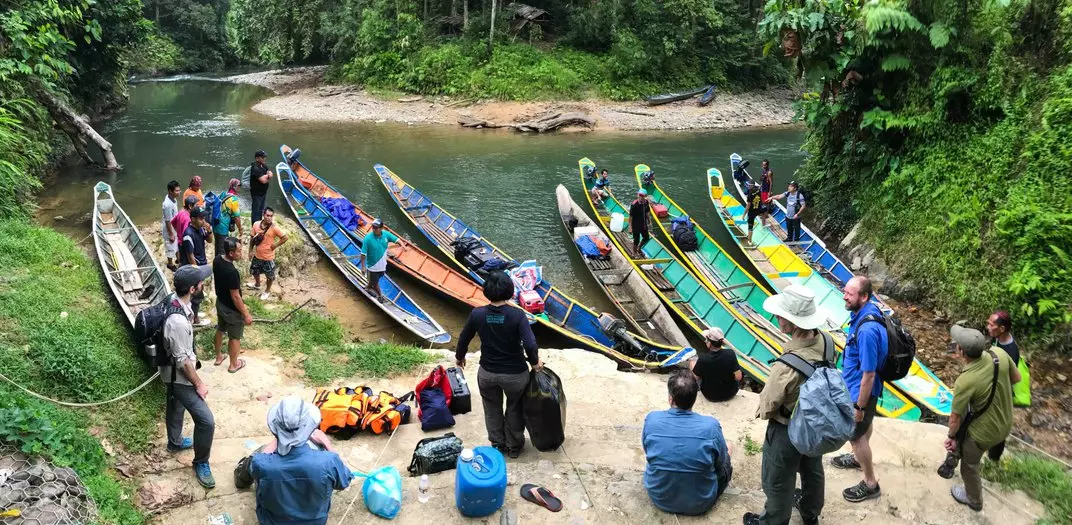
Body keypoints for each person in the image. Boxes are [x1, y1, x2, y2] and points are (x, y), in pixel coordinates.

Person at [743, 284, 829, 525]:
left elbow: (768, 405)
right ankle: (810, 513)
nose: (777, 317)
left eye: (781, 314)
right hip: (815, 422)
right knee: (812, 469)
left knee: (778, 479)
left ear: (793, 322)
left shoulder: (787, 366)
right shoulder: (826, 341)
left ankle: (773, 521)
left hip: (787, 428)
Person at [456, 271, 542, 459]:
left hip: (487, 373)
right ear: (511, 291)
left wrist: (459, 358)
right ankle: (513, 445)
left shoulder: (477, 314)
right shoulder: (517, 315)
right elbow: (530, 344)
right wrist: (535, 363)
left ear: (486, 291)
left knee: (491, 407)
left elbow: (464, 338)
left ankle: (498, 443)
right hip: (515, 375)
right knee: (515, 407)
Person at [240, 397, 352, 525]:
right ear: (309, 426)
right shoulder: (329, 461)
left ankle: (240, 480)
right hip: (315, 522)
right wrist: (327, 444)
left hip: (272, 522)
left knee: (255, 456)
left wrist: (281, 438)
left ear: (276, 427)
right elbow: (344, 482)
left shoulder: (262, 463)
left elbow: (258, 460)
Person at [945, 324, 1018, 511]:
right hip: (1006, 423)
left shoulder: (965, 380)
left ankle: (974, 500)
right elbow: (1016, 378)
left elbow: (955, 419)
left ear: (961, 351)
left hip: (984, 433)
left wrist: (951, 437)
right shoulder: (999, 354)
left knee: (969, 465)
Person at [642, 369, 732, 516]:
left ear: (670, 399)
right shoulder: (711, 426)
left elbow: (647, 450)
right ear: (694, 398)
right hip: (701, 503)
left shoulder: (652, 419)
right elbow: (719, 463)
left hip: (660, 498)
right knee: (728, 449)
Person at [831, 275, 886, 503]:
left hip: (860, 391)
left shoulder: (866, 330)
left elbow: (869, 373)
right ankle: (857, 458)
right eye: (845, 291)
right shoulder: (868, 311)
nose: (844, 296)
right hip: (861, 388)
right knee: (864, 428)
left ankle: (871, 483)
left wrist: (859, 406)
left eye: (849, 294)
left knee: (856, 437)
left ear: (863, 297)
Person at [161, 264, 216, 489]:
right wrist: (199, 383)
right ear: (193, 289)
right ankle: (201, 462)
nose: (204, 283)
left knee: (176, 405)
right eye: (201, 282)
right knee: (206, 422)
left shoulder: (176, 301)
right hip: (179, 376)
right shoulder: (178, 322)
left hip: (170, 371)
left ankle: (174, 442)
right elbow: (183, 361)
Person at [213, 237, 253, 374]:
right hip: (232, 309)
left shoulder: (217, 259)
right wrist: (245, 314)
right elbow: (235, 296)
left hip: (220, 303)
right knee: (234, 337)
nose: (241, 253)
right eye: (239, 251)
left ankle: (218, 357)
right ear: (231, 253)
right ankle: (233, 364)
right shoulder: (232, 272)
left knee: (220, 328)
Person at [984, 310, 1020, 462]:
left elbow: (1013, 378)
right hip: (993, 386)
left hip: (1000, 392)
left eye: (991, 325)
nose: (988, 327)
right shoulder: (997, 338)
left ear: (1002, 329)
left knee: (998, 424)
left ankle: (994, 459)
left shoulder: (1011, 351)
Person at [179, 207, 212, 327]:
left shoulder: (200, 229)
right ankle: (195, 320)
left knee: (197, 292)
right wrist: (198, 275)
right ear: (192, 219)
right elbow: (190, 256)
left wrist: (209, 231)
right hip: (194, 268)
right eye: (201, 218)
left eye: (204, 218)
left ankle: (194, 314)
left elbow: (210, 240)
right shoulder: (188, 234)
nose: (203, 221)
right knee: (196, 293)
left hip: (200, 266)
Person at [690, 328, 742, 402]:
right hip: (730, 393)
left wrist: (692, 362)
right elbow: (738, 377)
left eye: (706, 339)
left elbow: (695, 378)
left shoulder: (703, 359)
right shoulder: (730, 353)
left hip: (710, 396)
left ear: (710, 343)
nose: (705, 341)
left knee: (695, 365)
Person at [248, 207, 288, 301]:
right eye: (267, 215)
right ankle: (257, 284)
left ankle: (267, 291)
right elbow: (252, 239)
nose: (269, 218)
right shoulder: (256, 224)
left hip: (268, 257)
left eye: (271, 216)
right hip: (257, 255)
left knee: (269, 276)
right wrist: (250, 251)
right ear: (263, 215)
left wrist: (275, 245)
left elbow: (285, 237)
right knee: (254, 271)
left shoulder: (274, 227)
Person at [358, 218, 401, 302]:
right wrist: (363, 267)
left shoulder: (386, 234)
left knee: (376, 279)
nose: (373, 229)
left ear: (381, 228)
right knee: (375, 282)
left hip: (382, 265)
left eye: (376, 228)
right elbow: (363, 254)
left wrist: (403, 245)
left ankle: (368, 287)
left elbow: (397, 240)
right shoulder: (368, 238)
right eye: (373, 227)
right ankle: (380, 295)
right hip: (372, 267)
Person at [213, 178, 244, 255]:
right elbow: (237, 217)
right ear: (235, 187)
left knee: (217, 247)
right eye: (238, 186)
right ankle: (220, 265)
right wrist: (240, 229)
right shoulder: (233, 200)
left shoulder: (223, 194)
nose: (239, 188)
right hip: (223, 228)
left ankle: (216, 264)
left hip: (215, 224)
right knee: (223, 250)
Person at [170, 194, 199, 260]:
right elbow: (187, 235)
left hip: (179, 242)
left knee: (182, 260)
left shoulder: (181, 212)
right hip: (185, 245)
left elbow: (173, 222)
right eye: (196, 205)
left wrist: (178, 232)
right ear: (190, 206)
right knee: (187, 262)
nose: (198, 207)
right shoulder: (187, 219)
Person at [249, 150, 273, 224]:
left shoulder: (263, 165)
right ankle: (254, 225)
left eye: (264, 157)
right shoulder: (255, 168)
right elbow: (263, 180)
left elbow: (271, 174)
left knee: (261, 209)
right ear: (257, 158)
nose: (264, 158)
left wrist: (268, 176)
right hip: (256, 194)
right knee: (256, 210)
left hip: (263, 193)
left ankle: (259, 223)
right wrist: (268, 176)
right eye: (262, 157)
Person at [162, 180, 182, 271]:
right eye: (176, 191)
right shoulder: (167, 205)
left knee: (176, 244)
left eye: (179, 190)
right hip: (169, 228)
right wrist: (171, 234)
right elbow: (167, 220)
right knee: (170, 246)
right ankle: (170, 264)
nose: (178, 192)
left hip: (174, 226)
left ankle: (179, 259)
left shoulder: (173, 199)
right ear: (170, 191)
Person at [628, 189, 652, 257]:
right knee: (636, 240)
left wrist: (650, 221)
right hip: (636, 225)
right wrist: (630, 227)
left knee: (646, 238)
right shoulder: (634, 204)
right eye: (640, 195)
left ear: (645, 196)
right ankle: (634, 252)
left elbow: (647, 212)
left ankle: (639, 249)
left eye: (643, 196)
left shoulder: (646, 202)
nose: (641, 197)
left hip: (644, 225)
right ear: (638, 195)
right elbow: (631, 216)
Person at [759, 160, 774, 227]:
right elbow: (763, 179)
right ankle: (765, 215)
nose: (763, 166)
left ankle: (765, 216)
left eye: (764, 165)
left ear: (767, 165)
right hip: (763, 189)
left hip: (766, 190)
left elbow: (771, 183)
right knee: (763, 202)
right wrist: (760, 185)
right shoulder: (763, 171)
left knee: (765, 203)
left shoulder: (769, 172)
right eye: (762, 164)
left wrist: (769, 192)